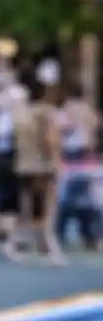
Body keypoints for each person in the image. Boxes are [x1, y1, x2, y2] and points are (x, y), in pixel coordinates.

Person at [7, 85, 65, 264]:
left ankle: (16, 243)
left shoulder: (21, 114)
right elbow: (50, 138)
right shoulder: (45, 113)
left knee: (26, 206)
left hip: (24, 163)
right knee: (44, 207)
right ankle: (47, 245)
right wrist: (56, 159)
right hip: (41, 165)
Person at [56, 83, 100, 249]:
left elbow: (62, 128)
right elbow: (95, 127)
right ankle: (89, 234)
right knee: (87, 196)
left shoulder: (68, 109)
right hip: (87, 153)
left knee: (67, 195)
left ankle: (60, 231)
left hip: (71, 153)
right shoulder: (89, 111)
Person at [0, 71, 24, 247]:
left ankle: (8, 230)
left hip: (11, 150)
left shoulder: (10, 100)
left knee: (8, 193)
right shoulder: (9, 103)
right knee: (5, 192)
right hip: (5, 150)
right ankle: (7, 229)